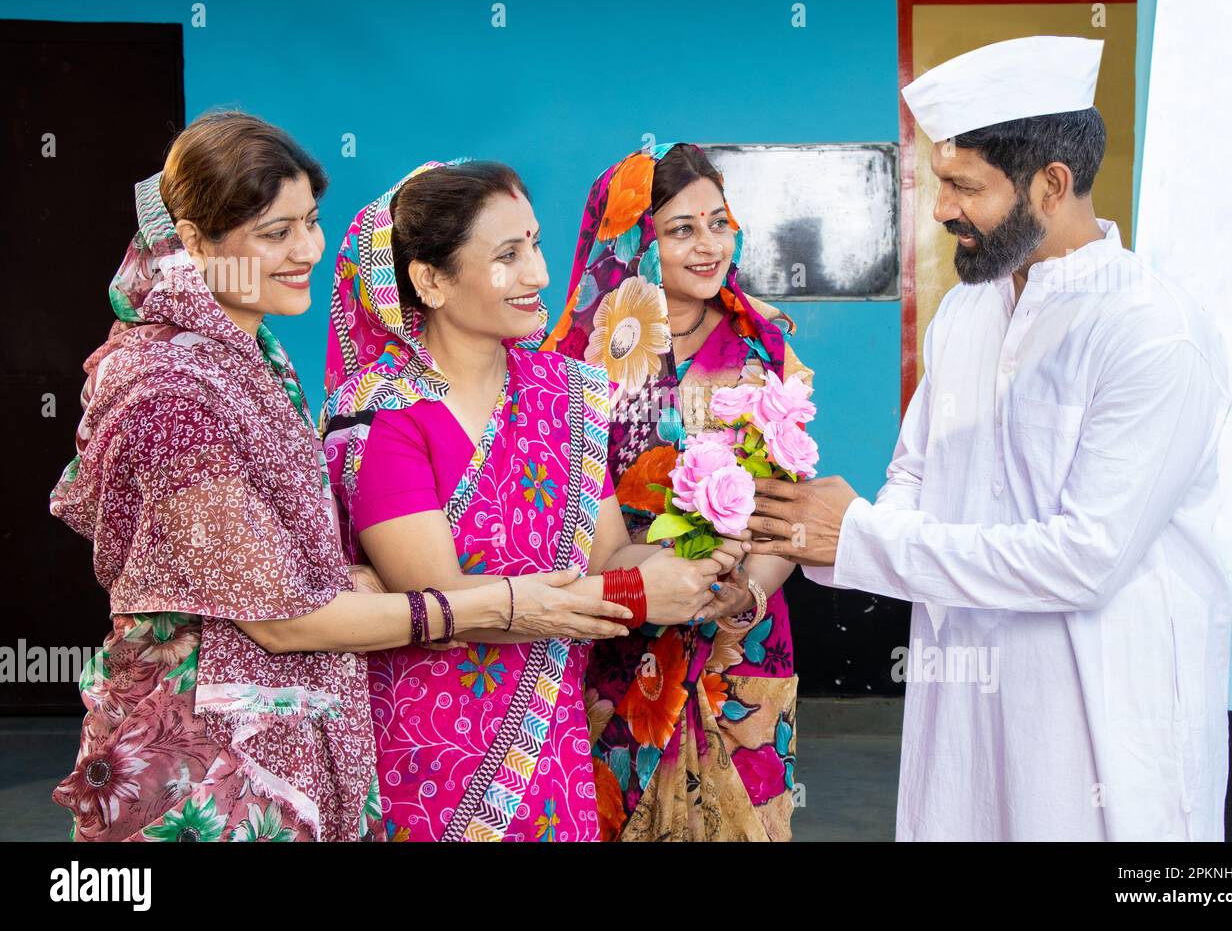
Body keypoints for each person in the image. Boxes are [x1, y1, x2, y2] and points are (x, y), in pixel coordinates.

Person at [49, 113, 627, 843]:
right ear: (194, 241)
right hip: (203, 762)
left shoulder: (247, 359)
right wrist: (503, 604)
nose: (308, 251)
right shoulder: (172, 391)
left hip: (280, 739)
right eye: (276, 232)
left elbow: (269, 574)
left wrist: (348, 578)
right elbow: (280, 619)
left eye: (311, 223)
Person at [746, 36, 1232, 841]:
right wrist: (817, 534)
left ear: (1052, 184)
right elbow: (915, 477)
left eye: (964, 186)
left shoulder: (1152, 331)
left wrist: (861, 538)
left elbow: (1086, 558)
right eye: (942, 181)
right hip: (966, 700)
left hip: (1098, 715)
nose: (941, 209)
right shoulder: (967, 310)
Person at [321, 160, 732, 842]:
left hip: (551, 755)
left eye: (536, 245)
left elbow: (608, 552)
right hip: (428, 764)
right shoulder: (385, 414)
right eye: (507, 255)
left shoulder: (565, 393)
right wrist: (634, 595)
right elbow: (440, 602)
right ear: (431, 281)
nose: (539, 274)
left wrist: (692, 558)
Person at [545, 142, 812, 841]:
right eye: (681, 229)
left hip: (739, 643)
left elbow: (791, 504)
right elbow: (560, 509)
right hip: (616, 637)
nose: (709, 245)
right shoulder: (575, 360)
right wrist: (650, 577)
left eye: (719, 223)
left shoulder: (763, 347)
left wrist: (745, 594)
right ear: (632, 242)